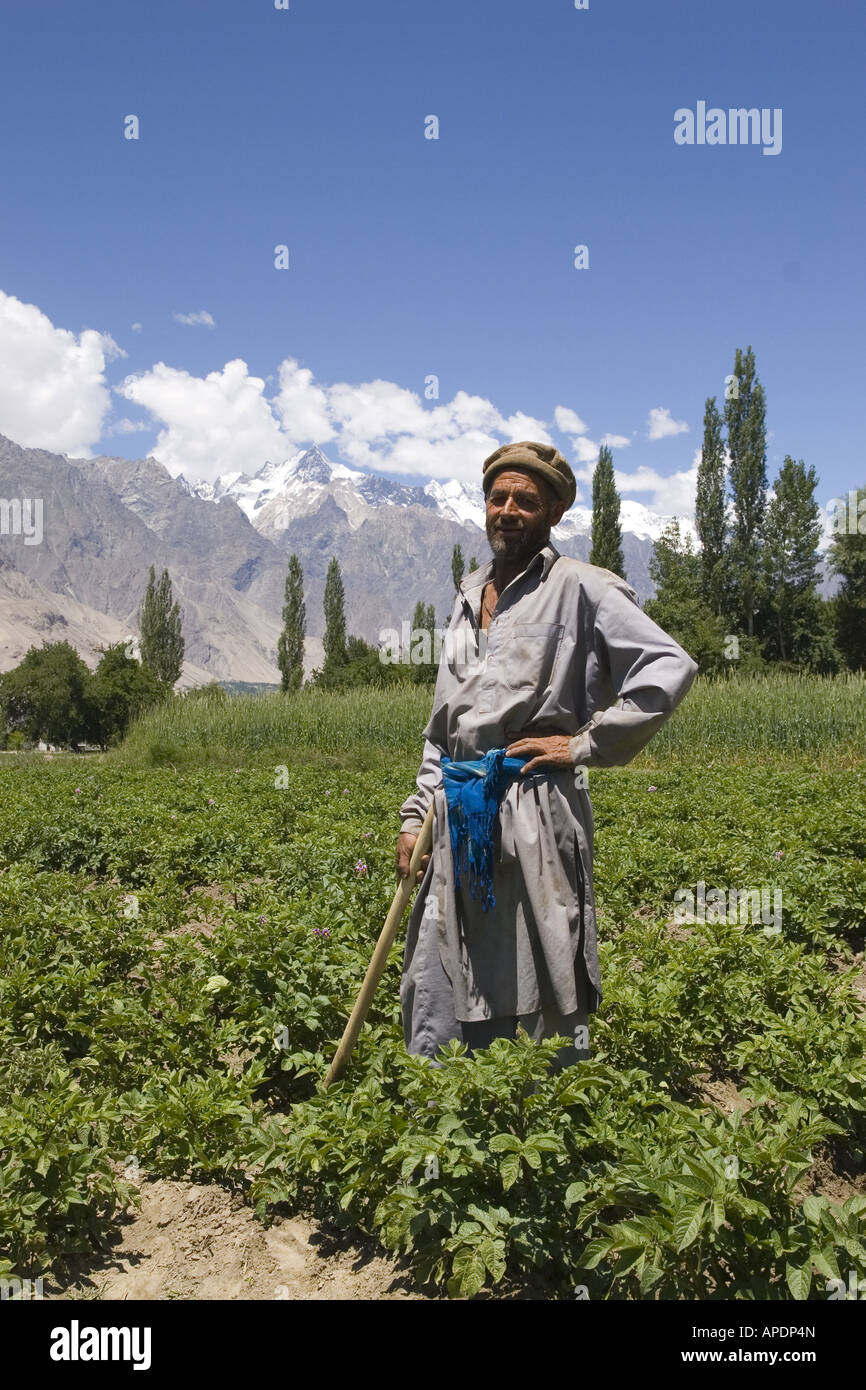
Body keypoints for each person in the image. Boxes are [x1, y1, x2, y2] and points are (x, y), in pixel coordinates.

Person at [395, 441, 698, 1069]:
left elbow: (668, 667)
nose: (507, 510)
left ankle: (539, 1116)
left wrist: (582, 744)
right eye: (498, 497)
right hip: (456, 812)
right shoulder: (465, 598)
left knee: (534, 962)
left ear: (554, 513)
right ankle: (446, 1109)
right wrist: (415, 812)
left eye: (526, 501)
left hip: (533, 806)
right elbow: (442, 731)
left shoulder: (582, 588)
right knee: (439, 964)